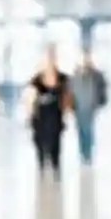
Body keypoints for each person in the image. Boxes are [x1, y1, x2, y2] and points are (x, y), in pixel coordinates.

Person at [26, 47, 72, 176]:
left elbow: (67, 98)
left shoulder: (63, 79)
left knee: (55, 144)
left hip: (56, 117)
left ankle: (55, 167)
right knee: (40, 143)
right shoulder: (36, 80)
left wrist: (66, 112)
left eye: (52, 59)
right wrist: (29, 114)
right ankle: (42, 166)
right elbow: (30, 98)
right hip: (40, 118)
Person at [69, 52, 107, 166]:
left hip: (90, 107)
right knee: (80, 130)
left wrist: (98, 103)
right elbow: (70, 91)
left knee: (88, 129)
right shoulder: (75, 75)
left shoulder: (95, 75)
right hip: (78, 107)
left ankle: (88, 153)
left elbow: (101, 88)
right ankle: (83, 152)